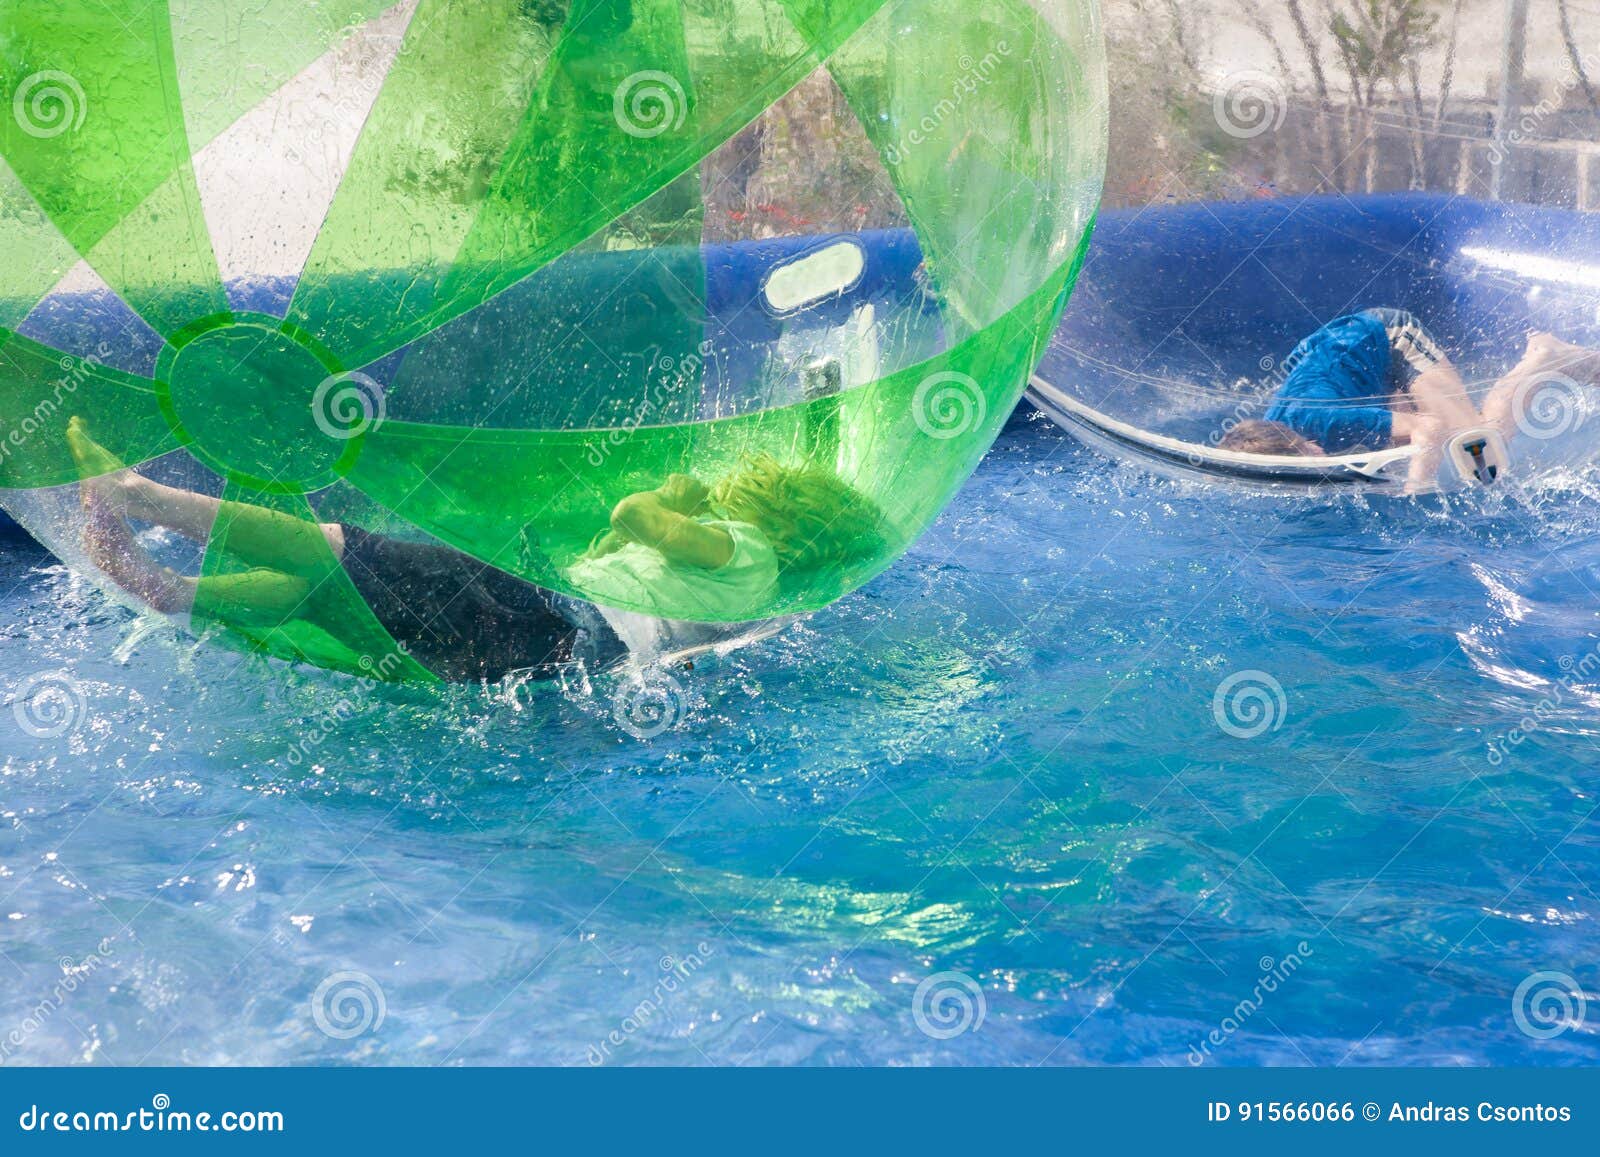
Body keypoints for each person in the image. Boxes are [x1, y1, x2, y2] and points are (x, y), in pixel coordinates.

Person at [65, 419, 885, 682]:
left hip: (551, 616)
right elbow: (618, 556)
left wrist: (673, 501)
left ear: (783, 506)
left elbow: (632, 515)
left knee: (344, 550)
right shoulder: (757, 598)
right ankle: (169, 587)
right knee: (340, 596)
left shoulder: (746, 549)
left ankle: (138, 496)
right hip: (559, 647)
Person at [1219, 309, 1600, 486]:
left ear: (1305, 444)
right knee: (1407, 445)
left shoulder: (1326, 421)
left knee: (1479, 448)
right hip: (1345, 359)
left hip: (1388, 338)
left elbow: (1429, 428)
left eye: (1306, 461)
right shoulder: (1285, 431)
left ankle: (1544, 358)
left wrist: (1418, 490)